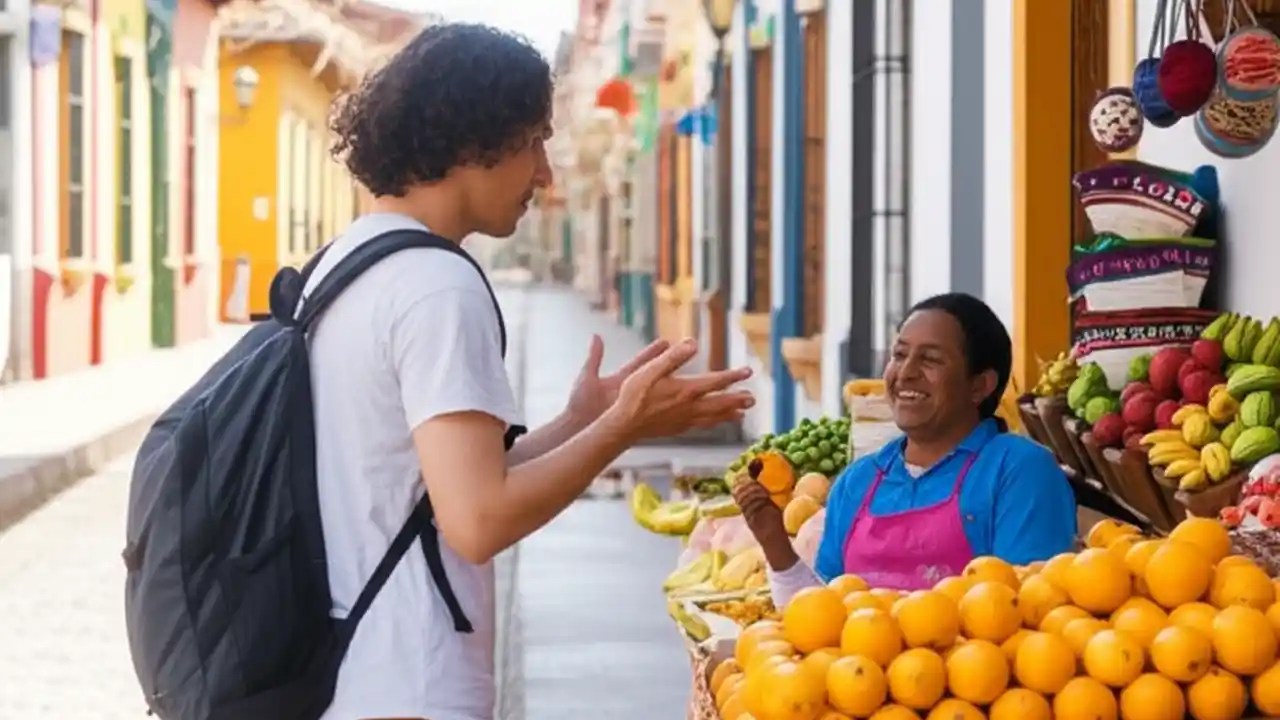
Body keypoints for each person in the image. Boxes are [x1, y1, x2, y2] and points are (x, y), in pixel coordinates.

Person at [313, 24, 755, 720]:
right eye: (532, 143)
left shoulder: (347, 265)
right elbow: (479, 520)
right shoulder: (437, 289)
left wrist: (585, 423)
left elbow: (431, 482)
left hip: (350, 672)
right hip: (410, 682)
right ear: (470, 145)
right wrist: (622, 428)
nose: (545, 173)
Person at [734, 292, 1076, 605]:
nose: (906, 372)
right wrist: (776, 546)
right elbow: (819, 618)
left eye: (930, 359)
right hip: (855, 671)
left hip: (975, 670)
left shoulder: (1018, 471)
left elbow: (1030, 615)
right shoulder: (858, 482)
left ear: (979, 385)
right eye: (899, 354)